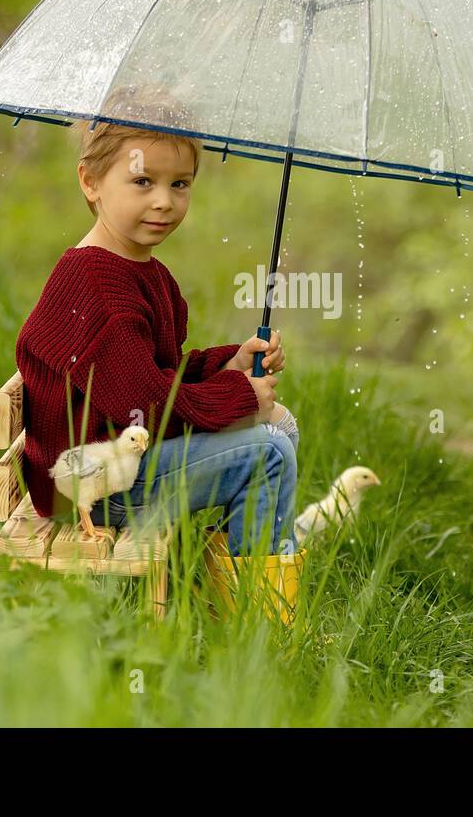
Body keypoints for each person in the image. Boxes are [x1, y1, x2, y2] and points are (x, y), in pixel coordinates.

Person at [15, 85, 300, 556]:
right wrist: (238, 395)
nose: (164, 201)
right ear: (91, 181)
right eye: (143, 181)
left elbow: (151, 374)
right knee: (267, 451)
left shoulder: (143, 271)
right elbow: (145, 409)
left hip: (126, 454)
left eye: (179, 183)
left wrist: (227, 364)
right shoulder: (96, 286)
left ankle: (231, 568)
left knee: (281, 429)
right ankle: (255, 603)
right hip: (94, 487)